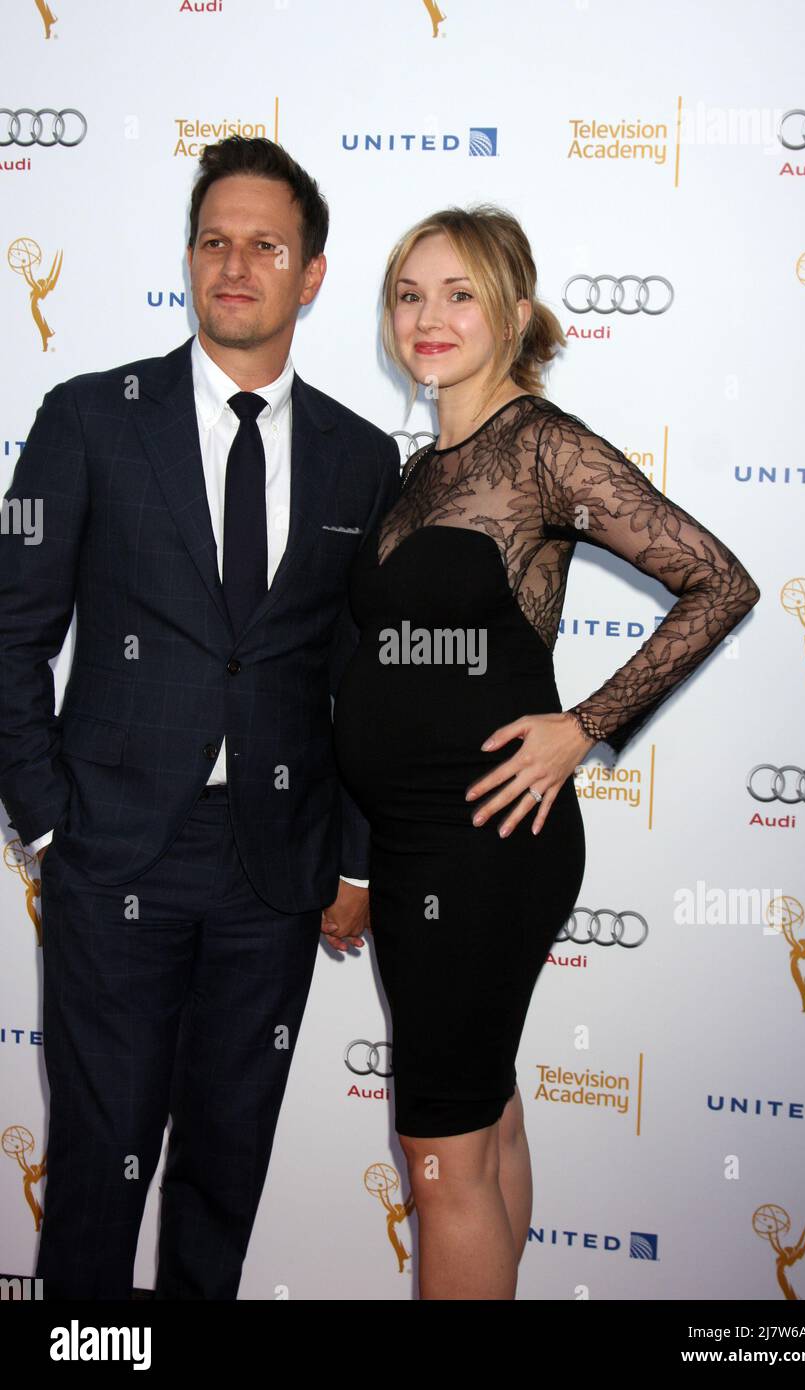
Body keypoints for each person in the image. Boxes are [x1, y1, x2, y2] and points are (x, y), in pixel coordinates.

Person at [331, 204, 761, 1299]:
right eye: (407, 294)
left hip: (485, 845)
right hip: (422, 846)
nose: (427, 316)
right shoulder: (420, 466)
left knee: (439, 1164)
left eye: (458, 292)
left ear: (514, 312)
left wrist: (585, 724)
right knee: (478, 1120)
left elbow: (719, 581)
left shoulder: (538, 447)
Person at [0, 135, 399, 1299]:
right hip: (110, 852)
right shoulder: (86, 418)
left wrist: (356, 858)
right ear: (188, 257)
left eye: (265, 245)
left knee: (224, 1172)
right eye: (215, 241)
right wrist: (50, 824)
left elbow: (364, 676)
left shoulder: (359, 456)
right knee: (95, 1170)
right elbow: (13, 629)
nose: (237, 265)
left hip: (272, 873)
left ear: (309, 275)